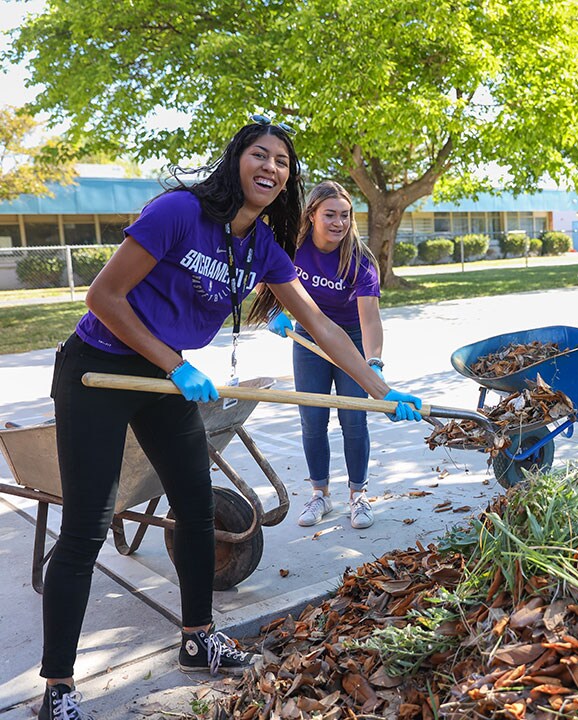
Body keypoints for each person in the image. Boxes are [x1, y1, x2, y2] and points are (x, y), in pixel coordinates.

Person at [40, 118, 424, 719]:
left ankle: (197, 636)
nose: (271, 168)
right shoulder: (178, 212)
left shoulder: (261, 247)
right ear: (236, 160)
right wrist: (173, 363)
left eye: (283, 162)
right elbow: (103, 297)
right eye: (260, 155)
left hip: (165, 377)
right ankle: (58, 688)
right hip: (100, 370)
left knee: (195, 508)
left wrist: (379, 386)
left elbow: (321, 324)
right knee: (86, 528)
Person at [265, 181, 384, 530]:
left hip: (351, 340)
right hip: (309, 339)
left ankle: (358, 496)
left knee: (353, 419)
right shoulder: (293, 248)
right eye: (330, 214)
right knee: (312, 421)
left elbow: (371, 320)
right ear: (312, 215)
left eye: (345, 215)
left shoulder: (360, 260)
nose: (338, 222)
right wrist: (274, 309)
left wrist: (372, 362)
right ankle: (320, 494)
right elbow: (264, 274)